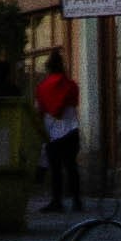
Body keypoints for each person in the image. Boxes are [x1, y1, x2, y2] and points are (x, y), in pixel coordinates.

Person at [32, 50, 84, 214]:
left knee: (55, 169)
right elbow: (74, 103)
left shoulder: (42, 88)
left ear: (48, 69)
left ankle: (57, 201)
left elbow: (40, 110)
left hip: (52, 132)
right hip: (71, 128)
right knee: (71, 167)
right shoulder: (71, 85)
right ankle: (76, 200)